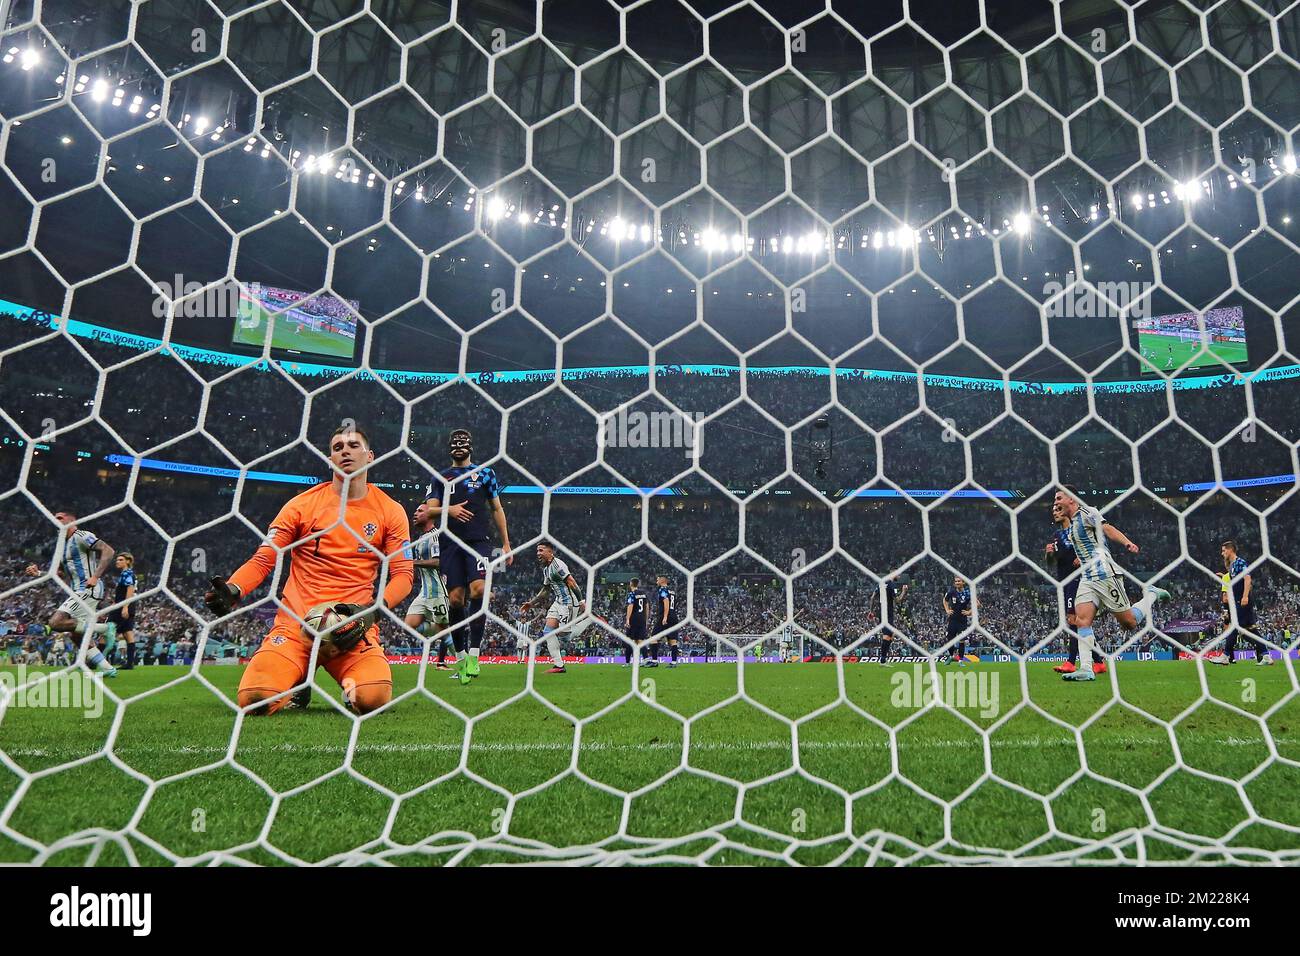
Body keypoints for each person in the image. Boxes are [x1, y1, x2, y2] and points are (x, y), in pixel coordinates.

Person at [204, 423, 413, 715]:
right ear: (330, 459)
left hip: (351, 628)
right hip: (296, 627)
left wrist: (370, 613)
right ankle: (298, 678)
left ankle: (330, 681)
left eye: (354, 446)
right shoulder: (301, 505)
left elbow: (404, 575)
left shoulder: (390, 510)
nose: (345, 452)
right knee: (254, 701)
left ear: (370, 456)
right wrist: (235, 588)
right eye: (338, 448)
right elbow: (265, 558)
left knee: (372, 700)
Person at [1053, 487, 1169, 682]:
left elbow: (1107, 528)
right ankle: (1086, 669)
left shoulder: (1088, 512)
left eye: (1059, 498)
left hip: (1105, 574)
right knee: (1082, 620)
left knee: (1129, 623)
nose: (1055, 503)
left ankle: (1151, 594)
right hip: (1088, 579)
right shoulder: (1072, 526)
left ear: (1071, 499)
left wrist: (1127, 543)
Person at [424, 428, 512, 682]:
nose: (459, 446)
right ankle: (460, 659)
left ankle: (474, 655)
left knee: (480, 590)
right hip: (450, 543)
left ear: (470, 446)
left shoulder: (485, 473)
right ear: (450, 447)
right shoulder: (440, 477)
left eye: (463, 442)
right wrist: (449, 510)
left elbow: (497, 508)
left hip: (478, 542)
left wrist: (506, 544)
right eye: (455, 443)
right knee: (455, 600)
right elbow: (429, 511)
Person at [23, 508, 117, 676]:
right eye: (55, 518)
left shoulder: (81, 536)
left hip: (88, 588)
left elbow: (108, 551)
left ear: (71, 520)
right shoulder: (63, 546)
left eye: (60, 517)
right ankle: (108, 669)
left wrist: (95, 576)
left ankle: (104, 629)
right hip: (78, 591)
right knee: (76, 635)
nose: (56, 520)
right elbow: (58, 574)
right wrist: (37, 573)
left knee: (55, 623)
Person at [403, 502, 457, 679]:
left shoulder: (435, 536)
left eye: (419, 511)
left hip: (437, 593)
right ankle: (446, 634)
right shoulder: (420, 539)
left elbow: (437, 562)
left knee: (444, 630)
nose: (415, 513)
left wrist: (411, 563)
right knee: (409, 626)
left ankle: (465, 665)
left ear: (430, 515)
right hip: (423, 593)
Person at [519, 542, 585, 675]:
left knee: (565, 637)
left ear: (550, 552)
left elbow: (571, 582)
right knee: (548, 631)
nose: (538, 553)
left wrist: (581, 600)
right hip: (558, 602)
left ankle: (589, 619)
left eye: (541, 550)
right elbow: (545, 590)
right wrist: (531, 603)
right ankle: (559, 665)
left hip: (569, 603)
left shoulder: (557, 565)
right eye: (537, 551)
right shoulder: (546, 569)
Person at [1215, 540, 1272, 666]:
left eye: (1224, 550)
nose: (1222, 553)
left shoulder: (1240, 562)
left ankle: (1225, 655)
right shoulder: (1233, 566)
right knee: (1251, 630)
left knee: (1234, 627)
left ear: (1230, 550)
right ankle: (1266, 655)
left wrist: (1245, 596)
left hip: (1242, 601)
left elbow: (1247, 578)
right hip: (1238, 600)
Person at [106, 552, 138, 670]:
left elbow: (130, 589)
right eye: (117, 560)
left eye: (120, 560)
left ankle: (96, 661)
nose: (117, 562)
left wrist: (124, 607)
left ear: (128, 561)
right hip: (126, 605)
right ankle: (130, 663)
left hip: (123, 606)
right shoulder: (127, 574)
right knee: (128, 633)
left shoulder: (127, 573)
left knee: (106, 630)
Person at [942, 575, 974, 665]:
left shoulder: (968, 593)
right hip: (952, 619)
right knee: (950, 640)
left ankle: (960, 660)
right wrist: (947, 610)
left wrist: (969, 612)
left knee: (961, 640)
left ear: (963, 582)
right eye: (956, 581)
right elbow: (944, 600)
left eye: (959, 581)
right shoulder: (951, 592)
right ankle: (952, 656)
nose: (957, 583)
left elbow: (977, 604)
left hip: (962, 620)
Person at [624, 578, 649, 667]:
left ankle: (627, 662)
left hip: (633, 619)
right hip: (642, 619)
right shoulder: (643, 594)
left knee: (630, 640)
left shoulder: (632, 594)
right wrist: (646, 619)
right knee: (640, 640)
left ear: (631, 584)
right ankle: (646, 659)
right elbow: (647, 606)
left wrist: (627, 619)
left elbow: (630, 606)